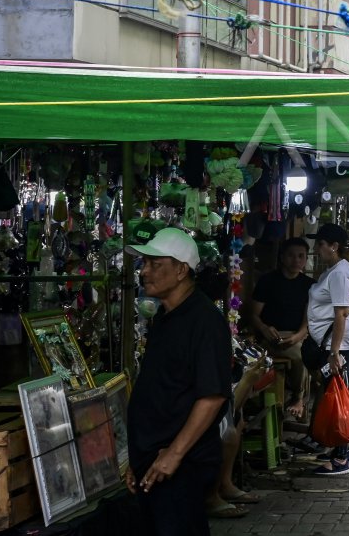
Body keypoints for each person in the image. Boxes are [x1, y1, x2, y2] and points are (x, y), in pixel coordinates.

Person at [126, 227, 232, 536]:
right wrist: (139, 457)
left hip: (181, 463)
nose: (144, 272)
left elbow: (212, 396)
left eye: (155, 264)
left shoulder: (204, 321)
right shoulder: (165, 317)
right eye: (144, 263)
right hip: (155, 459)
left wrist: (173, 453)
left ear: (182, 270)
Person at [301, 223, 349, 475]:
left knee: (337, 395)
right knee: (333, 393)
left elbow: (341, 314)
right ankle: (338, 448)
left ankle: (341, 457)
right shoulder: (337, 270)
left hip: (339, 344)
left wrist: (335, 352)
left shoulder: (339, 273)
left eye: (321, 244)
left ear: (333, 247)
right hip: (334, 343)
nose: (317, 249)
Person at [247, 238, 312, 420]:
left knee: (302, 355)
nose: (296, 260)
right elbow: (254, 315)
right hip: (268, 337)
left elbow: (307, 322)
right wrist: (265, 328)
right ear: (282, 257)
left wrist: (298, 336)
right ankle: (256, 403)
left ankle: (299, 399)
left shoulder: (309, 285)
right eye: (291, 255)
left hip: (295, 336)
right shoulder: (267, 281)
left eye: (301, 256)